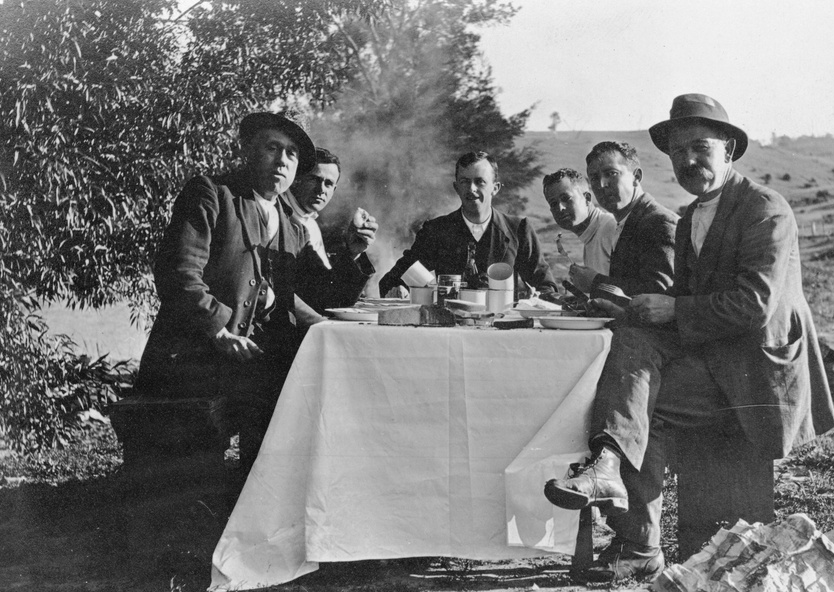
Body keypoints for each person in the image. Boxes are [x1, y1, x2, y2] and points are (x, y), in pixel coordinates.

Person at [544, 94, 834, 581]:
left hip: (759, 372)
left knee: (642, 403)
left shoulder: (765, 208)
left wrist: (672, 308)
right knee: (634, 357)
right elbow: (682, 301)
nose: (687, 160)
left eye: (699, 147)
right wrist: (628, 305)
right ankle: (621, 495)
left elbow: (753, 305)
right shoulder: (692, 216)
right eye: (677, 153)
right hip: (716, 358)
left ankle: (635, 531)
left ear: (729, 150)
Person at [134, 111, 325, 467]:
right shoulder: (212, 193)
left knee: (286, 433)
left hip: (248, 367)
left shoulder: (290, 224)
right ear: (248, 149)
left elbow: (294, 298)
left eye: (291, 154)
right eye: (272, 147)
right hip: (191, 360)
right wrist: (219, 331)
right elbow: (179, 273)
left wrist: (329, 327)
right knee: (191, 478)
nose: (281, 160)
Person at [378, 151, 557, 296]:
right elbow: (391, 281)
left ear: (495, 188)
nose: (472, 189)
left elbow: (546, 286)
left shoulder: (518, 230)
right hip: (449, 331)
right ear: (456, 187)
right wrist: (399, 290)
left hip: (503, 331)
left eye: (480, 182)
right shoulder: (436, 231)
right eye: (465, 182)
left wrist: (535, 298)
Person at [565, 141, 677, 297]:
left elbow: (658, 295)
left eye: (611, 173)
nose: (602, 184)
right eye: (594, 178)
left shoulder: (657, 222)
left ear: (636, 177)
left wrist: (596, 283)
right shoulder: (626, 222)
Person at [287, 147, 380, 312]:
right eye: (314, 179)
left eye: (328, 184)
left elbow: (330, 298)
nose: (321, 189)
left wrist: (352, 253)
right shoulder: (281, 215)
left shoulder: (311, 224)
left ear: (334, 191)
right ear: (297, 179)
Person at [542, 168, 616, 275]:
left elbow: (638, 286)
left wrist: (592, 284)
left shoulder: (612, 229)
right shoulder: (591, 237)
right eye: (553, 204)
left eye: (566, 198)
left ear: (587, 198)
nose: (560, 208)